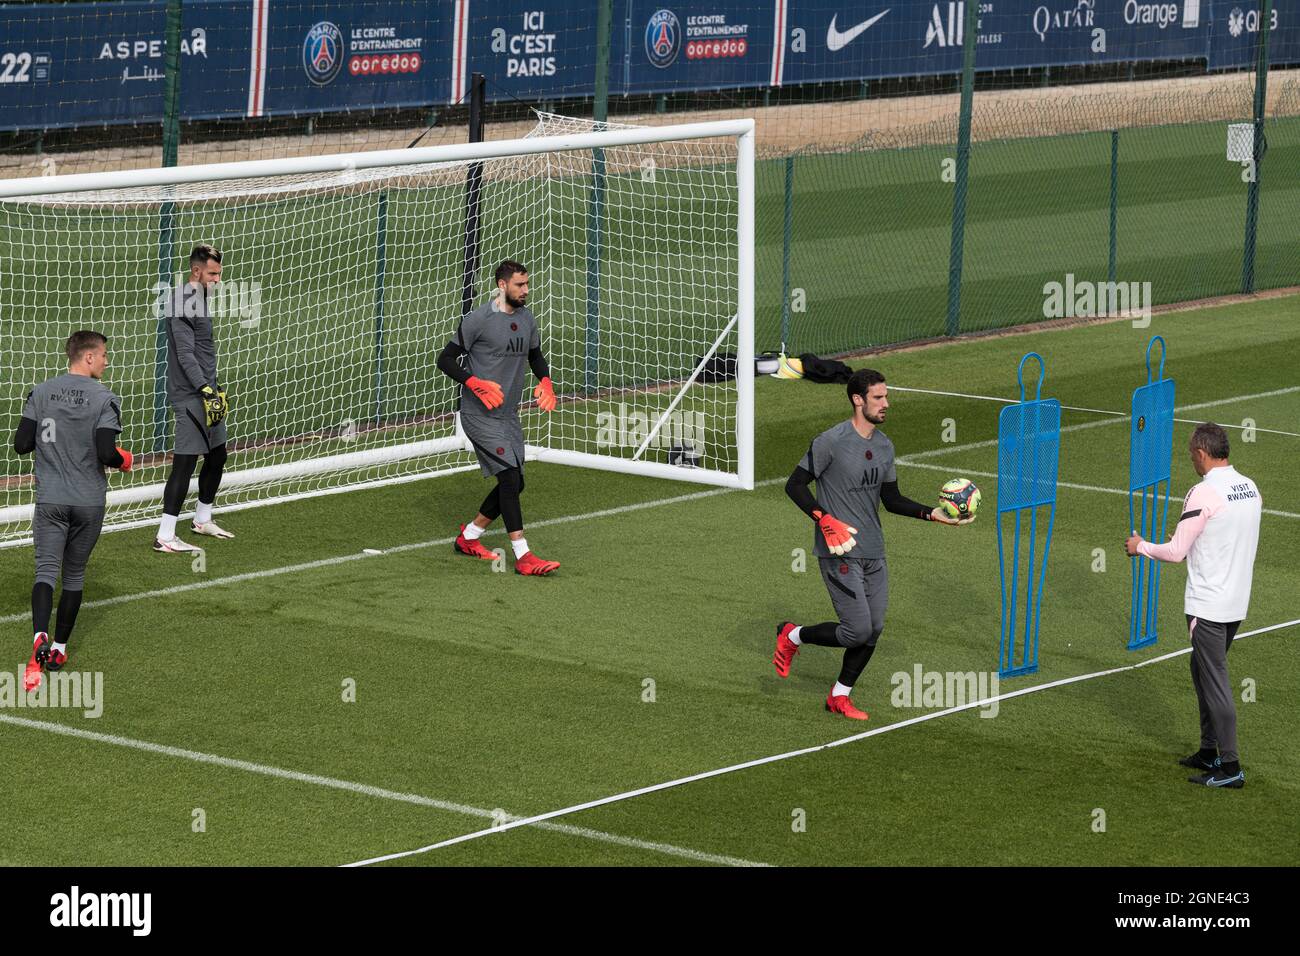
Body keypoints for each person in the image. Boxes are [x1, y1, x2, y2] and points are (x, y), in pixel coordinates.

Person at [774, 368, 973, 720]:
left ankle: (839, 696)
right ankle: (793, 636)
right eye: (878, 397)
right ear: (857, 399)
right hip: (839, 552)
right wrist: (823, 518)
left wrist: (933, 514)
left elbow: (891, 499)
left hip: (874, 551)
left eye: (886, 397)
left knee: (874, 628)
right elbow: (794, 486)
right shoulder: (830, 442)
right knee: (857, 630)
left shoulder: (884, 446)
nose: (886, 404)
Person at [1126, 422, 1261, 789]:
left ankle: (1230, 765)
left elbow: (1176, 552)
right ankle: (1208, 750)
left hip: (1208, 605)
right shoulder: (1250, 488)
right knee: (1201, 669)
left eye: (1191, 454)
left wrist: (1141, 547)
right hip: (1236, 602)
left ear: (1202, 453)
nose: (1191, 460)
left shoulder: (1202, 493)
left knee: (1214, 679)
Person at [13, 331, 132, 690]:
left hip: (50, 498)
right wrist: (123, 460)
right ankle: (60, 649)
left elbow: (21, 444)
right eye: (105, 355)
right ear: (89, 357)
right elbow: (104, 452)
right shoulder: (104, 398)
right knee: (75, 574)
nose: (108, 362)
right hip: (88, 501)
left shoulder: (41, 391)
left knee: (45, 571)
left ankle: (39, 637)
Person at [436, 260, 559, 575]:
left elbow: (534, 355)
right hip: (479, 415)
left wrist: (545, 380)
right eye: (520, 285)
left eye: (527, 284)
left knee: (516, 483)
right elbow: (445, 359)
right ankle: (524, 556)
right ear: (502, 285)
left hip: (507, 416)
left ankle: (470, 537)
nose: (526, 290)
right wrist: (473, 382)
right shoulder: (480, 319)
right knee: (508, 477)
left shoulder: (527, 319)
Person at [155, 243, 232, 553]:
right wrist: (205, 389)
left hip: (206, 392)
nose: (217, 279)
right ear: (196, 271)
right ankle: (164, 536)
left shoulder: (199, 296)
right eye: (212, 274)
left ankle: (201, 519)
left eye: (219, 274)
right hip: (192, 395)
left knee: (217, 455)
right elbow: (185, 354)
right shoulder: (185, 300)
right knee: (185, 463)